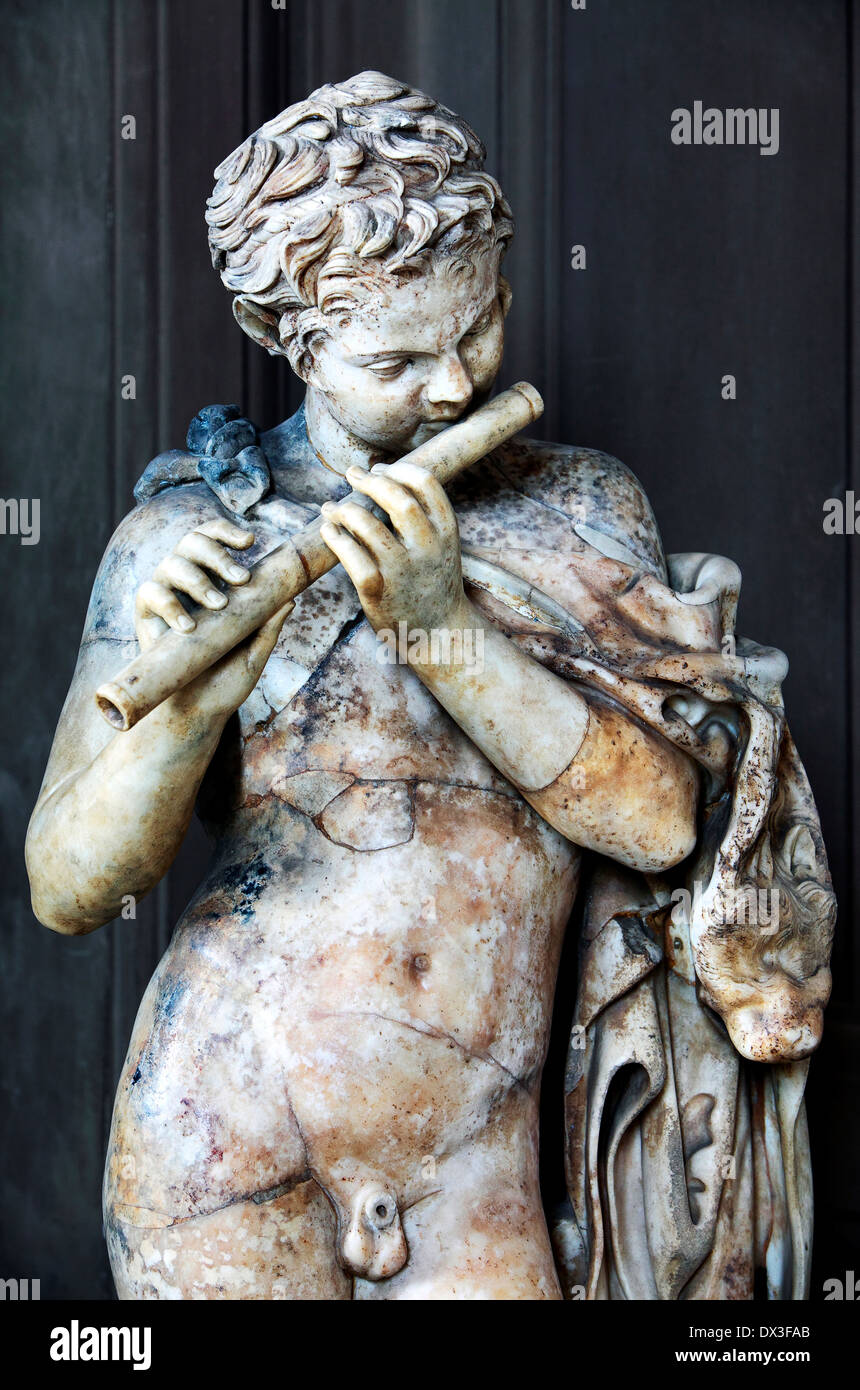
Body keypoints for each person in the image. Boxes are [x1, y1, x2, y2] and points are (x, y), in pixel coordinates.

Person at [26, 71, 832, 1300]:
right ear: (292, 340)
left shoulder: (576, 507)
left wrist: (441, 628)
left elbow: (660, 821)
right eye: (398, 355)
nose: (456, 386)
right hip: (220, 1131)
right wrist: (187, 702)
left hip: (470, 1157)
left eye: (479, 325)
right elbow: (68, 884)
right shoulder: (187, 542)